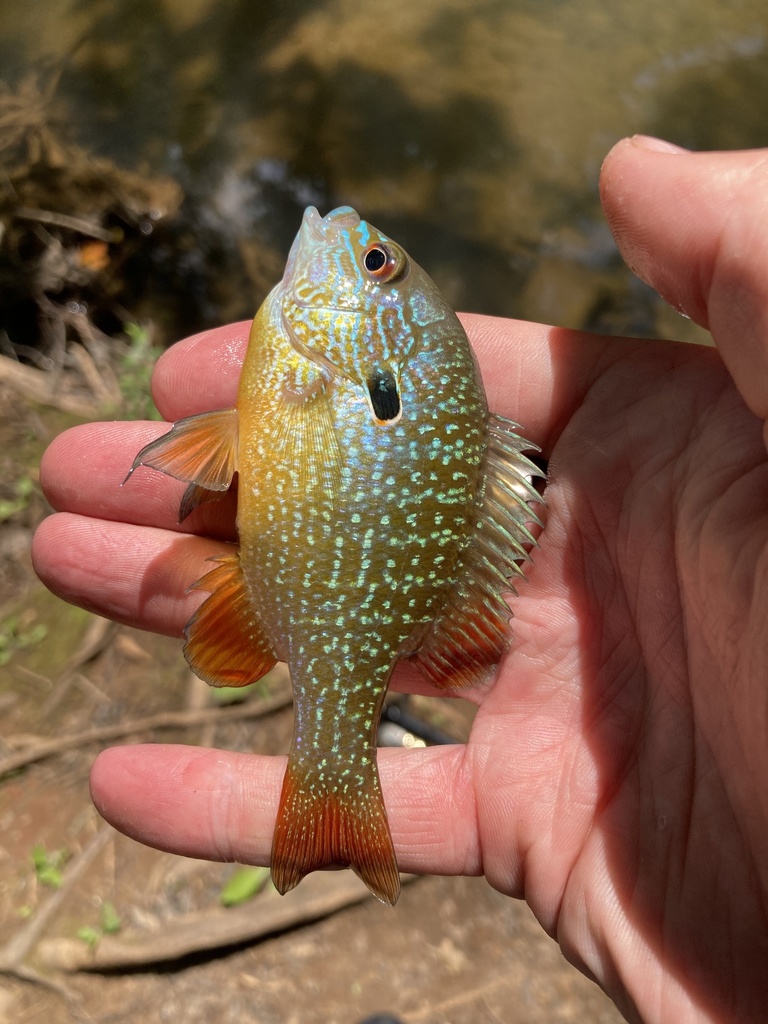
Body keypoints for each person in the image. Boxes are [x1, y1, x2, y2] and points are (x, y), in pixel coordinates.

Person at [32, 136, 768, 1024]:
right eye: (379, 259)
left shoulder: (313, 371)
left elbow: (237, 439)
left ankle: (332, 784)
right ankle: (332, 791)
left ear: (376, 338)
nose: (355, 242)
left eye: (374, 262)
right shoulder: (326, 371)